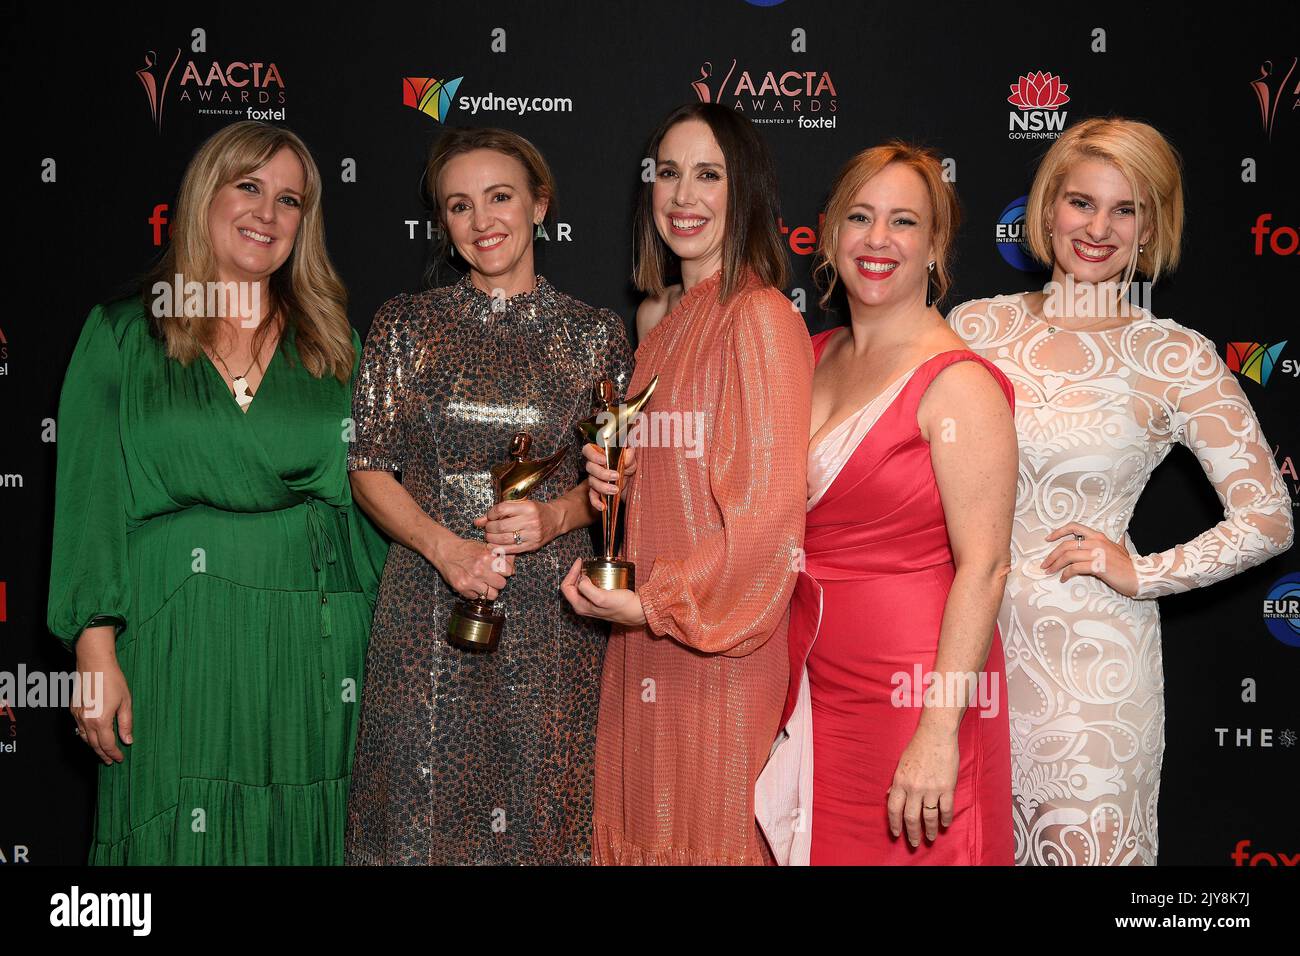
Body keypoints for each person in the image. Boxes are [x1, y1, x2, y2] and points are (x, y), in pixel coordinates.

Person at [948, 117, 1294, 865]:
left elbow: (1269, 518)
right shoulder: (972, 327)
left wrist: (1140, 572)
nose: (1097, 228)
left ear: (1150, 228)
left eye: (1125, 209)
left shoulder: (1175, 355)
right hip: (961, 655)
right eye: (1081, 202)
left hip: (1092, 673)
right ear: (1046, 211)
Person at [48, 120, 388, 864]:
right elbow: (89, 503)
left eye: (290, 200)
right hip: (177, 639)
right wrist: (93, 647)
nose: (268, 213)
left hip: (314, 645)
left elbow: (376, 500)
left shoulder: (337, 345)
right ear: (205, 195)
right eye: (249, 187)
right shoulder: (122, 336)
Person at [344, 127, 632, 864]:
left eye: (500, 197)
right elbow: (369, 467)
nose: (482, 222)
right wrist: (448, 552)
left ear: (540, 204)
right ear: (443, 222)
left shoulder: (595, 335)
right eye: (460, 206)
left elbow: (617, 482)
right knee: (419, 811)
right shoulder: (405, 326)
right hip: (426, 607)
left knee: (541, 811)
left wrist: (554, 516)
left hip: (550, 619)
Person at [563, 102, 812, 864]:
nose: (683, 196)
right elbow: (676, 476)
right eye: (668, 173)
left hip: (721, 641)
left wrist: (654, 601)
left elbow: (769, 521)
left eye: (710, 175)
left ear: (748, 193)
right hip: (647, 633)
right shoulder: (657, 323)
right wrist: (617, 479)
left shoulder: (761, 316)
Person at [756, 142, 1018, 865]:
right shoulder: (807, 355)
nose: (877, 240)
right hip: (812, 682)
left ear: (934, 246)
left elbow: (987, 567)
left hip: (916, 691)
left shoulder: (959, 382)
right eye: (860, 217)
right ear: (831, 233)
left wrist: (939, 732)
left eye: (903, 222)